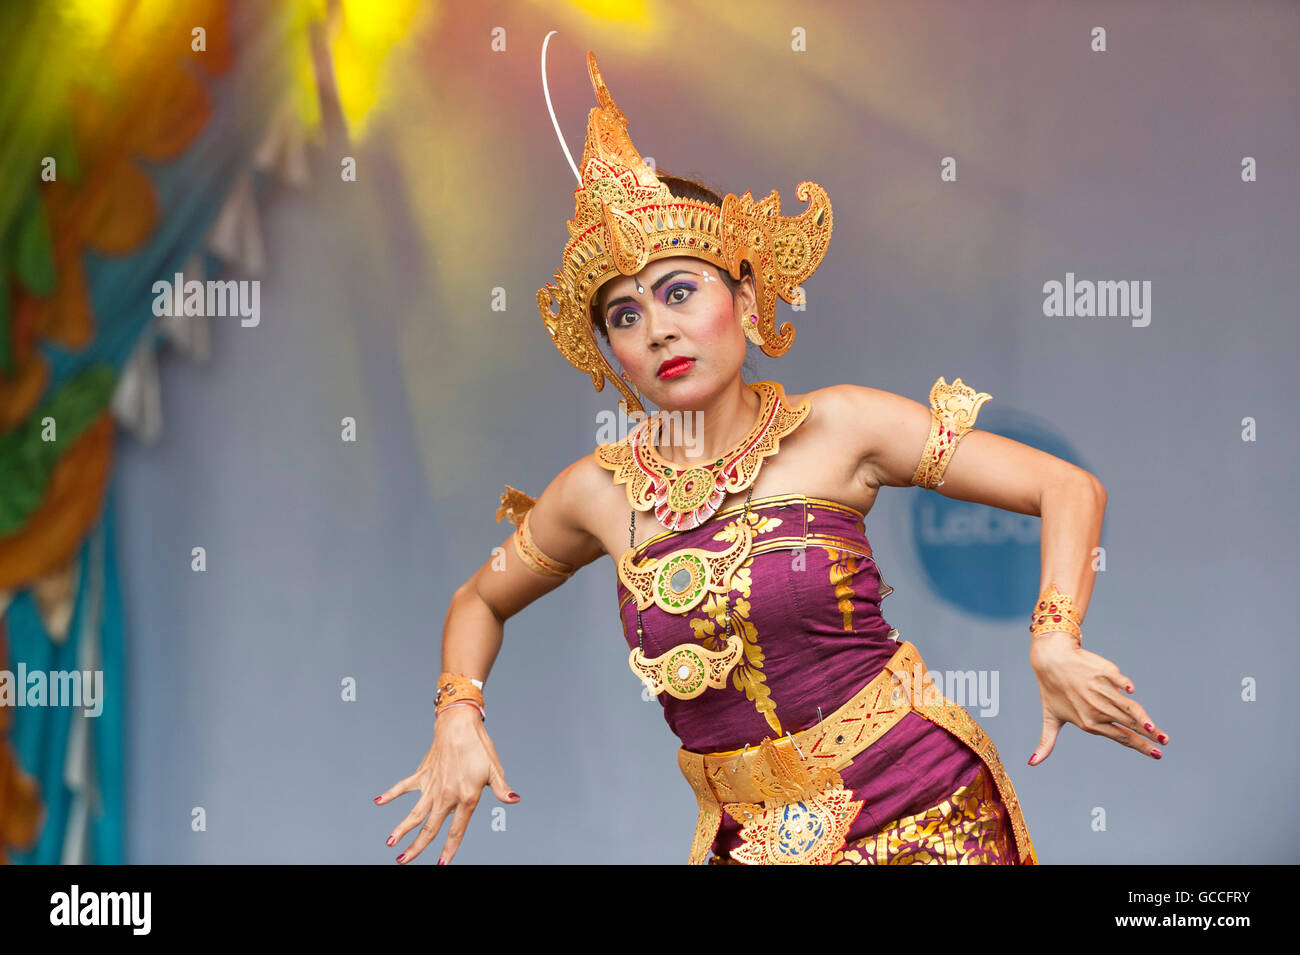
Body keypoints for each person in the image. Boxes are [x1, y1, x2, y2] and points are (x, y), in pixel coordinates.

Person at [374, 45, 1169, 865]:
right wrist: (457, 711)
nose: (658, 328)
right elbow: (479, 599)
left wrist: (1053, 640)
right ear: (612, 353)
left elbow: (1064, 484)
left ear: (746, 299)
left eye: (680, 290)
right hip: (745, 839)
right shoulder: (596, 493)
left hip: (920, 808)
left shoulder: (842, 426)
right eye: (624, 314)